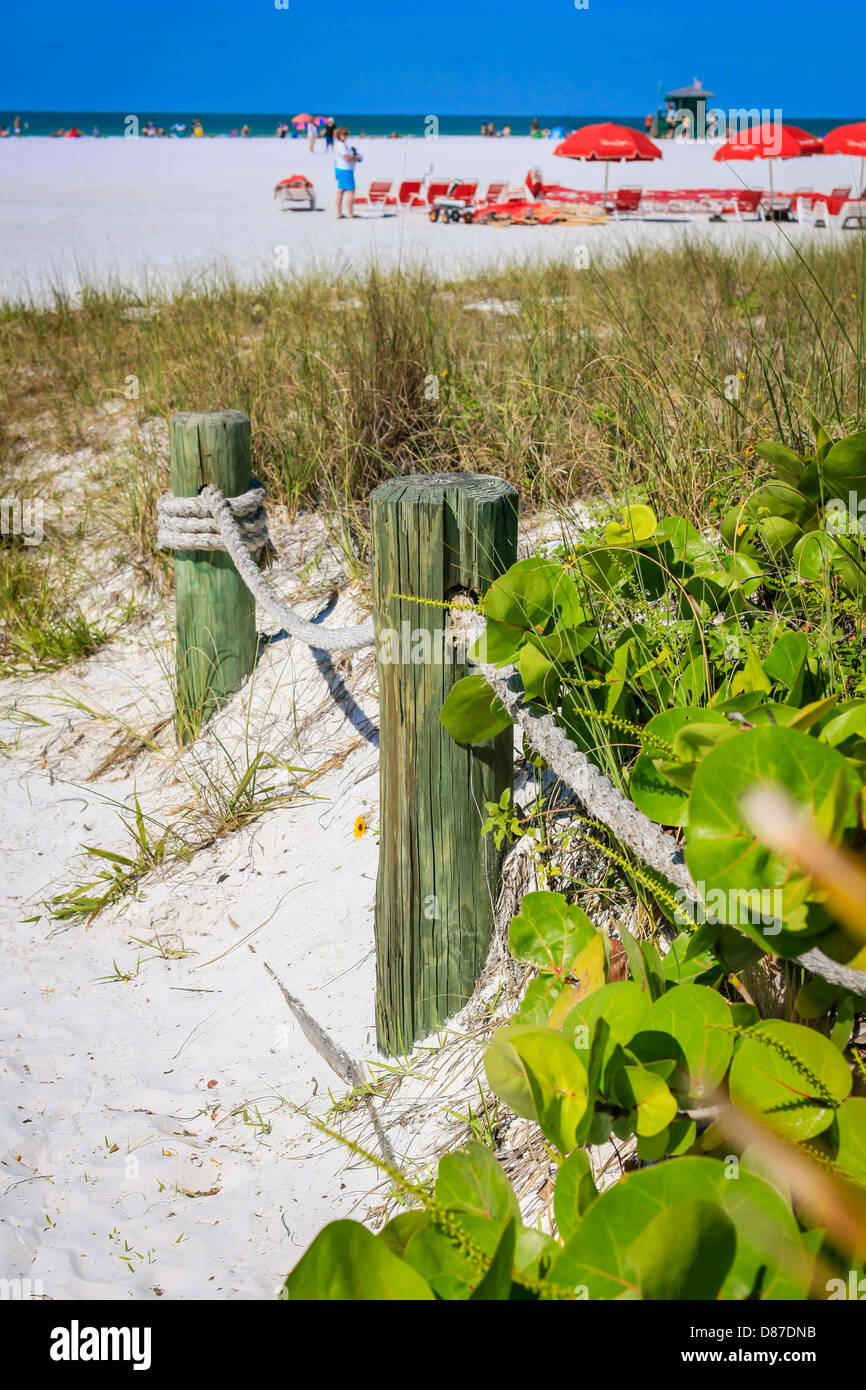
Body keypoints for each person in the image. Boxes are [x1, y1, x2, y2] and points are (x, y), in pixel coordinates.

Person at [333, 125, 362, 218]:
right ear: (339, 135)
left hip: (340, 169)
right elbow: (347, 158)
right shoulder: (341, 145)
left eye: (346, 134)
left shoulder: (340, 144)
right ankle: (350, 214)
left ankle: (339, 213)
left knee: (341, 191)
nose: (345, 136)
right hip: (345, 170)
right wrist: (356, 158)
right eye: (343, 134)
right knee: (351, 191)